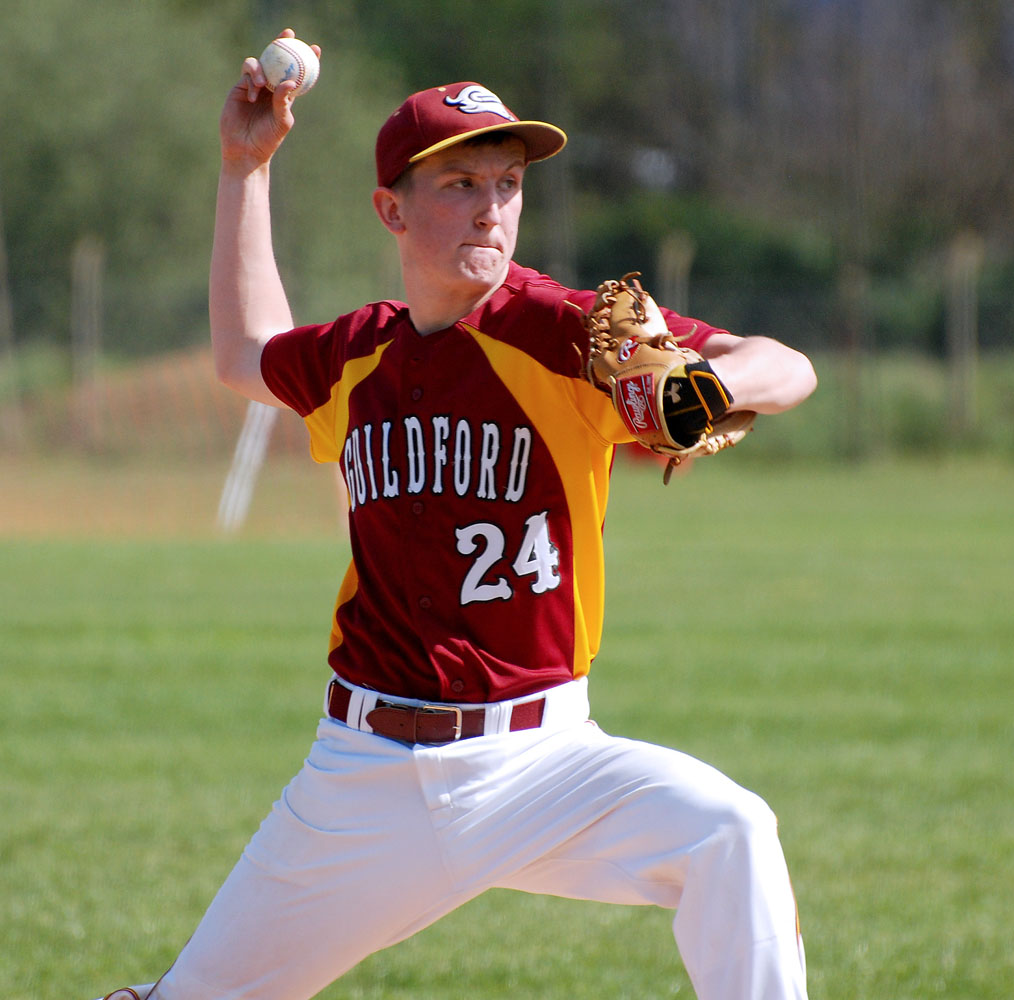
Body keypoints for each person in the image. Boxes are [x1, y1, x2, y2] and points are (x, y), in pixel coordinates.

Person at [100, 28, 817, 1000]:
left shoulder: (565, 332)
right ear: (391, 209)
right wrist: (244, 167)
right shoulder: (357, 356)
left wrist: (704, 384)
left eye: (509, 185)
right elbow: (246, 351)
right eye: (461, 185)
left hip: (543, 761)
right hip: (363, 776)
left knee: (729, 830)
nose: (493, 209)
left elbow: (786, 364)